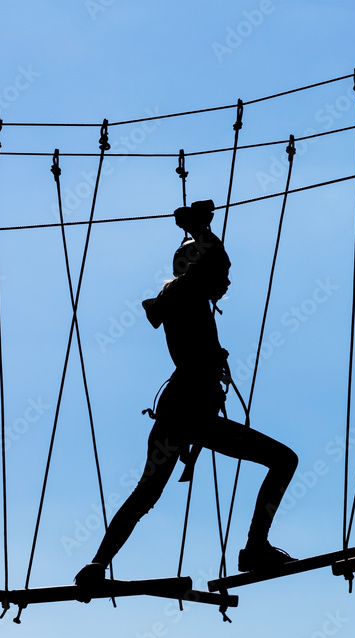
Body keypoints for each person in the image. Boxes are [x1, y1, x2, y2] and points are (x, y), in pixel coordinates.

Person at [75, 200, 298, 595]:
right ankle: (256, 548)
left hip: (178, 416)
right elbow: (217, 264)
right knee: (283, 460)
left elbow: (216, 269)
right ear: (190, 266)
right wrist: (200, 230)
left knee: (146, 493)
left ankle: (96, 563)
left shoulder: (183, 300)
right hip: (192, 415)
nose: (226, 285)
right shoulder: (185, 290)